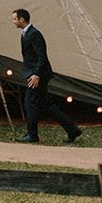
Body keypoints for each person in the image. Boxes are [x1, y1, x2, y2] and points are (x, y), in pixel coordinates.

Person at [12, 9, 82, 144]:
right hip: (34, 74)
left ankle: (32, 135)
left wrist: (37, 74)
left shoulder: (34, 34)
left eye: (15, 19)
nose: (13, 22)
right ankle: (72, 130)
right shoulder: (25, 34)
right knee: (46, 105)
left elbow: (42, 57)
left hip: (38, 75)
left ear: (22, 20)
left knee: (29, 103)